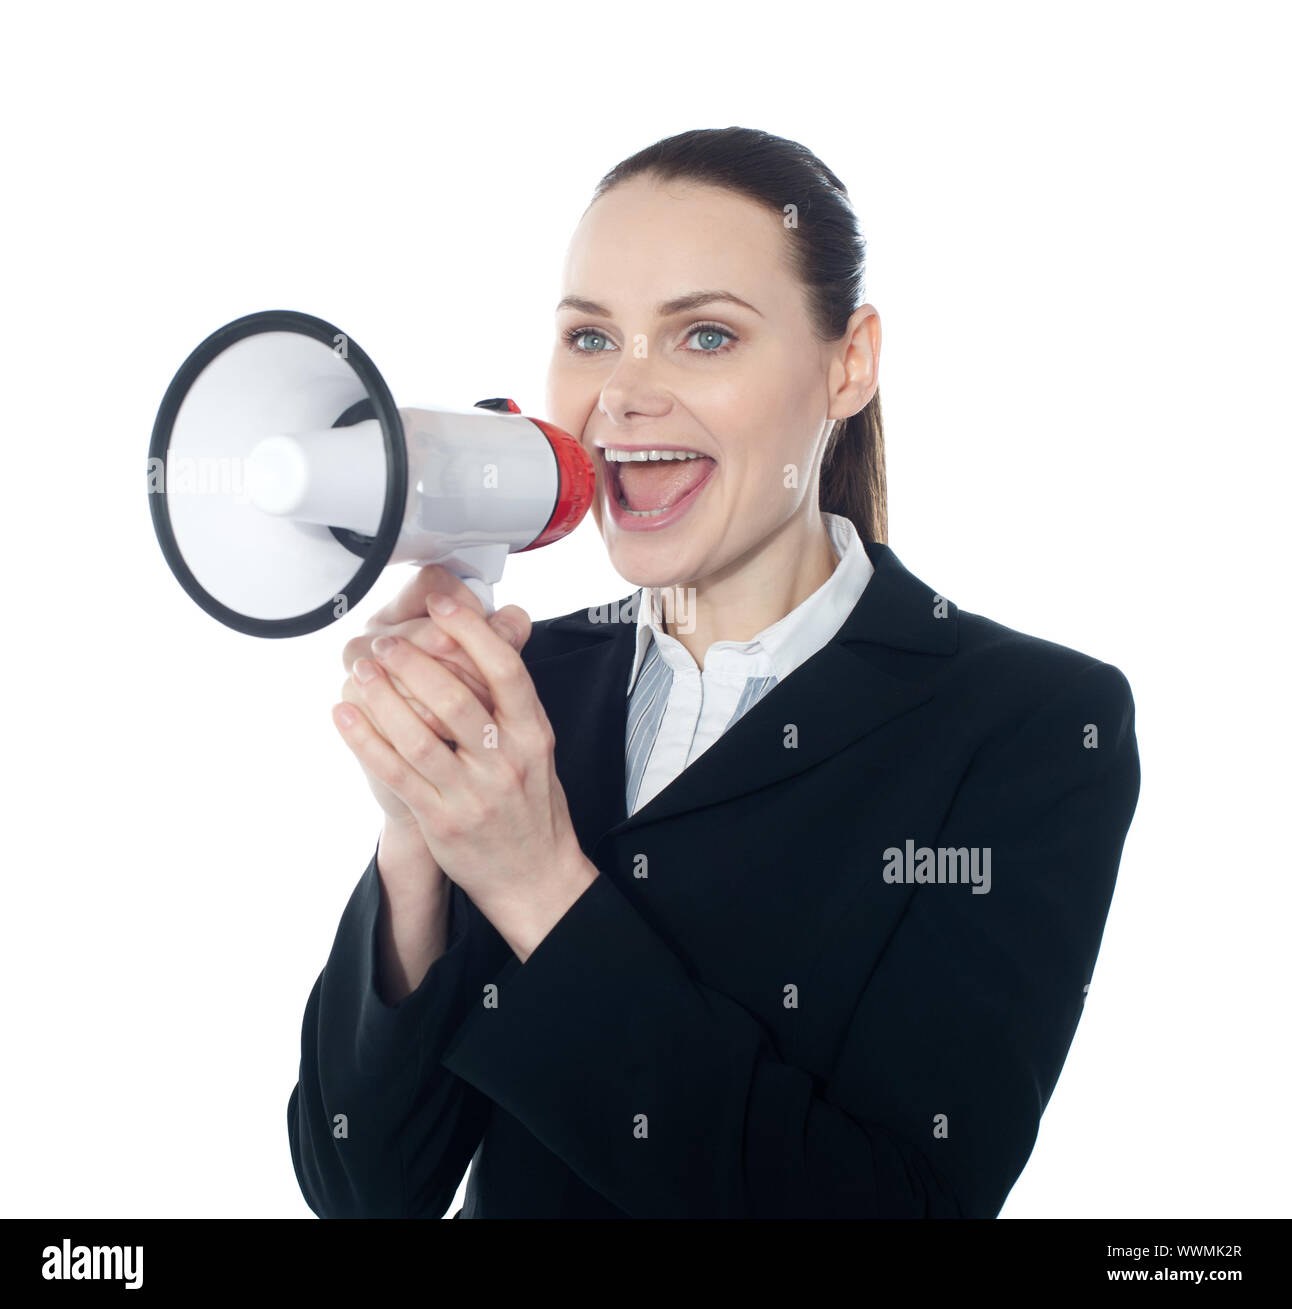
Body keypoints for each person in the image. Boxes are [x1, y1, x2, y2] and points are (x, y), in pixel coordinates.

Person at [286, 126, 1140, 1219]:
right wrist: (417, 838)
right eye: (590, 338)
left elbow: (900, 1203)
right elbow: (362, 1189)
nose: (625, 395)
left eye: (702, 335)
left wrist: (533, 881)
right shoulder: (528, 684)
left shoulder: (1028, 726)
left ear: (848, 364)